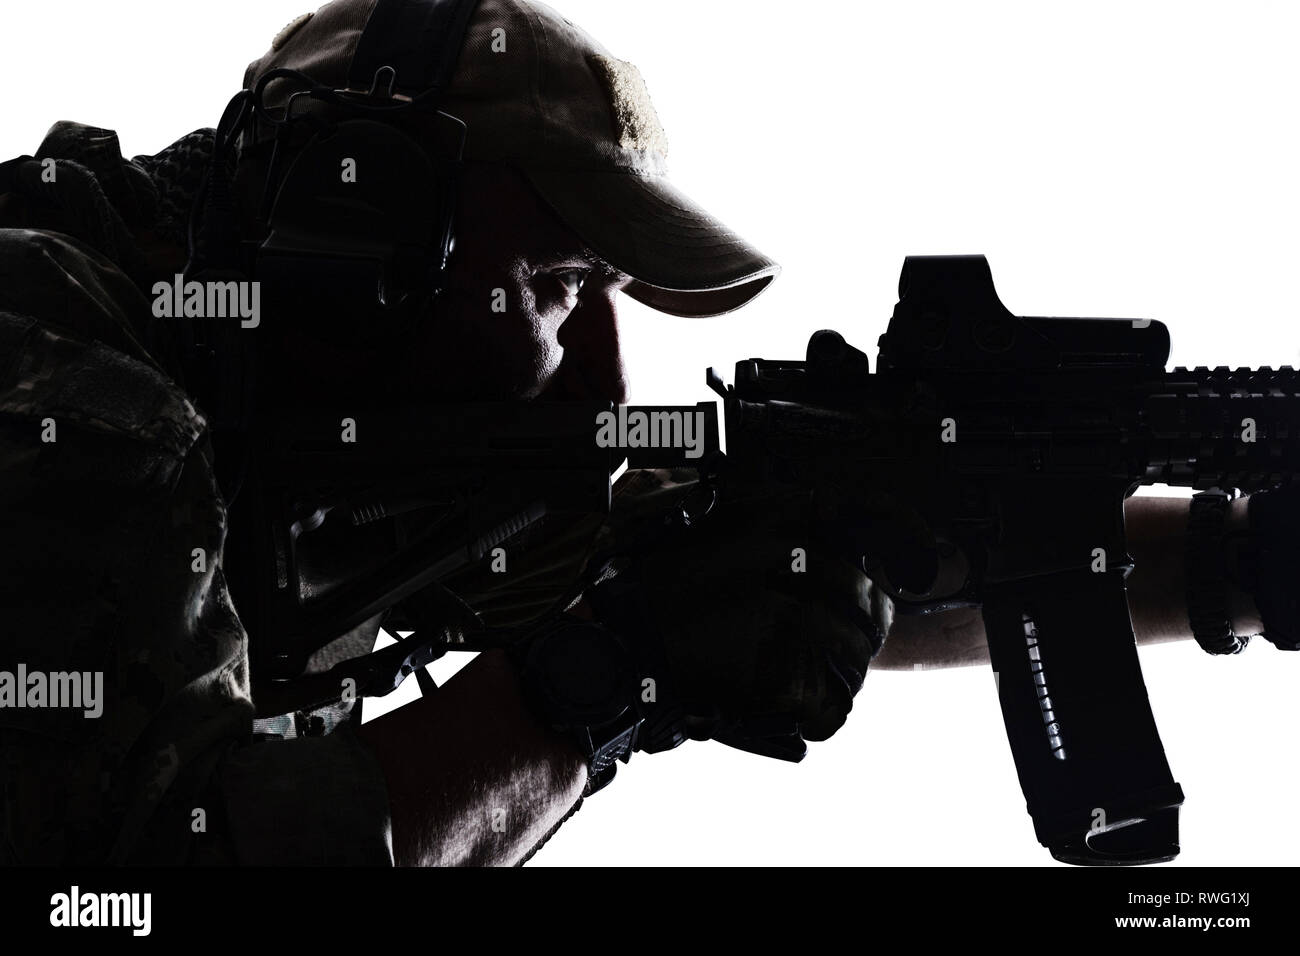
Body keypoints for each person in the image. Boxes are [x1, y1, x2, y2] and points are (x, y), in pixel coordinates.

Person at [0, 0, 1294, 867]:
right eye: (561, 289)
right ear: (369, 226)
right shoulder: (58, 369)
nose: (607, 377)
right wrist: (598, 683)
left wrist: (1239, 565)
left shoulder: (297, 410)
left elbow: (858, 559)